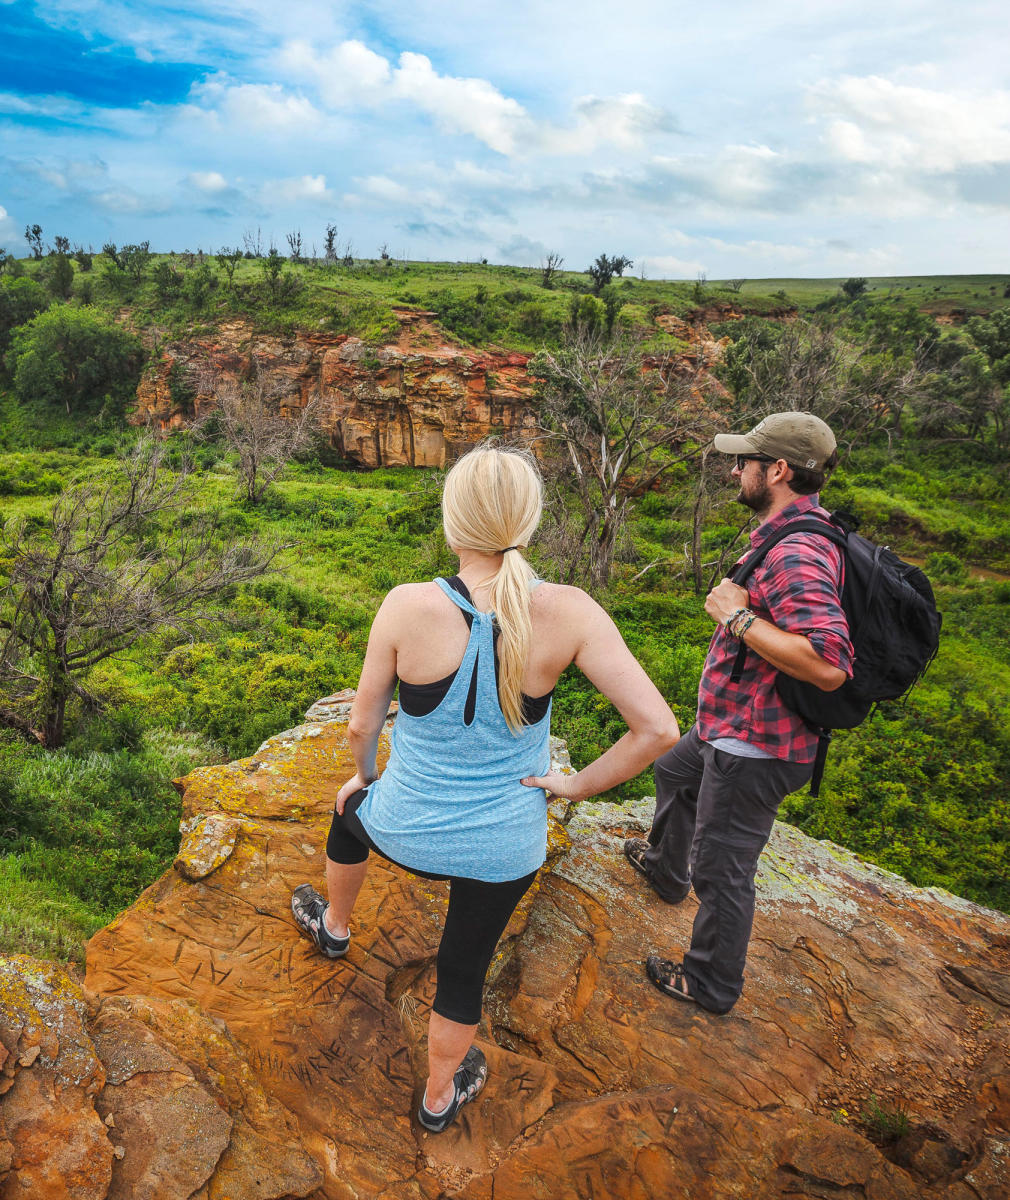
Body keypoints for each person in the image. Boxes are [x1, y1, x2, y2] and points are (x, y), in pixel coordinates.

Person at [292, 442, 680, 1132]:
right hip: (503, 849)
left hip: (401, 828)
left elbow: (361, 723)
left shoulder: (406, 605)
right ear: (528, 522)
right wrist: (573, 786)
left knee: (347, 814)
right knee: (464, 967)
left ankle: (337, 929)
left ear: (453, 522)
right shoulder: (570, 611)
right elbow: (656, 730)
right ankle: (438, 1098)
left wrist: (366, 778)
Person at [624, 412, 853, 1015]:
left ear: (777, 470)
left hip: (755, 746)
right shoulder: (796, 530)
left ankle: (710, 983)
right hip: (729, 726)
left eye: (744, 462)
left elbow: (829, 663)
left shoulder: (798, 550)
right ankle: (665, 870)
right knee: (674, 772)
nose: (735, 471)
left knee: (722, 870)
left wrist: (736, 617)